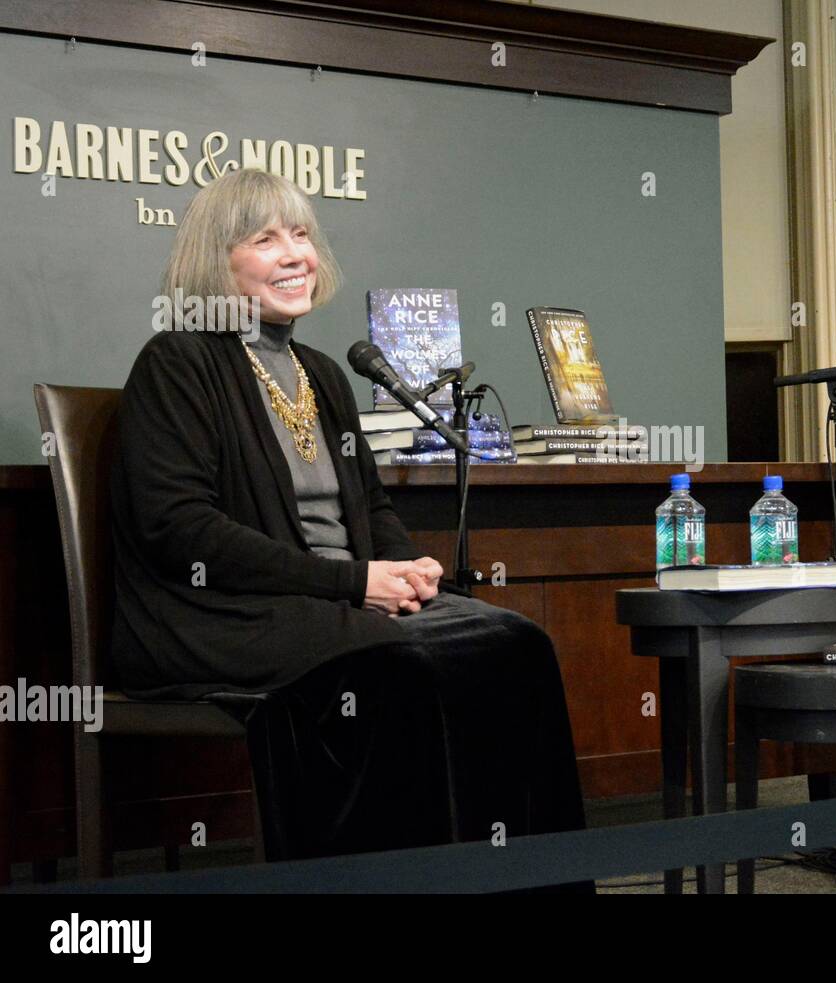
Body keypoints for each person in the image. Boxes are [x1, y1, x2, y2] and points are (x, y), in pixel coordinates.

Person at [111, 167, 589, 883]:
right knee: (395, 664)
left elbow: (370, 505)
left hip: (337, 596)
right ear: (218, 260)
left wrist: (406, 567)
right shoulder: (177, 362)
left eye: (300, 233)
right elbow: (182, 532)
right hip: (220, 611)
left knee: (518, 645)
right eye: (265, 238)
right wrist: (355, 583)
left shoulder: (323, 373)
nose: (295, 253)